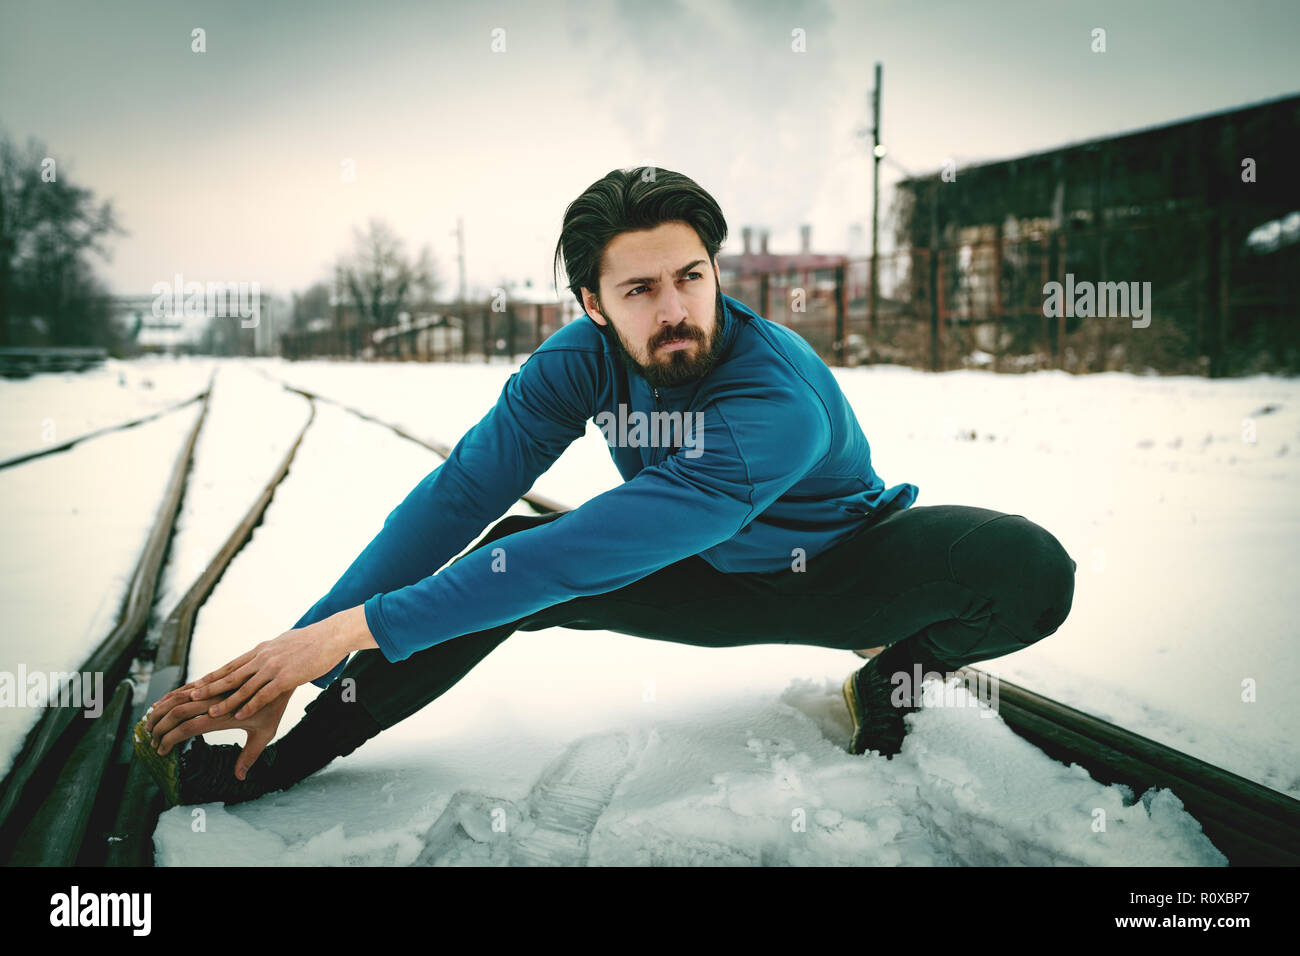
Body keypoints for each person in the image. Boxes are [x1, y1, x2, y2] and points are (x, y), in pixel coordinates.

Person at [136, 167, 1076, 807]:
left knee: (1028, 567)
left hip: (840, 568)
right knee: (501, 555)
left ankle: (894, 672)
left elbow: (581, 548)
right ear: (590, 303)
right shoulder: (576, 363)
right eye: (637, 291)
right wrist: (309, 651)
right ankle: (282, 761)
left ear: (717, 270)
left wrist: (348, 634)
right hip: (703, 574)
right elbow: (459, 496)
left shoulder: (773, 400)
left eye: (691, 277)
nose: (674, 312)